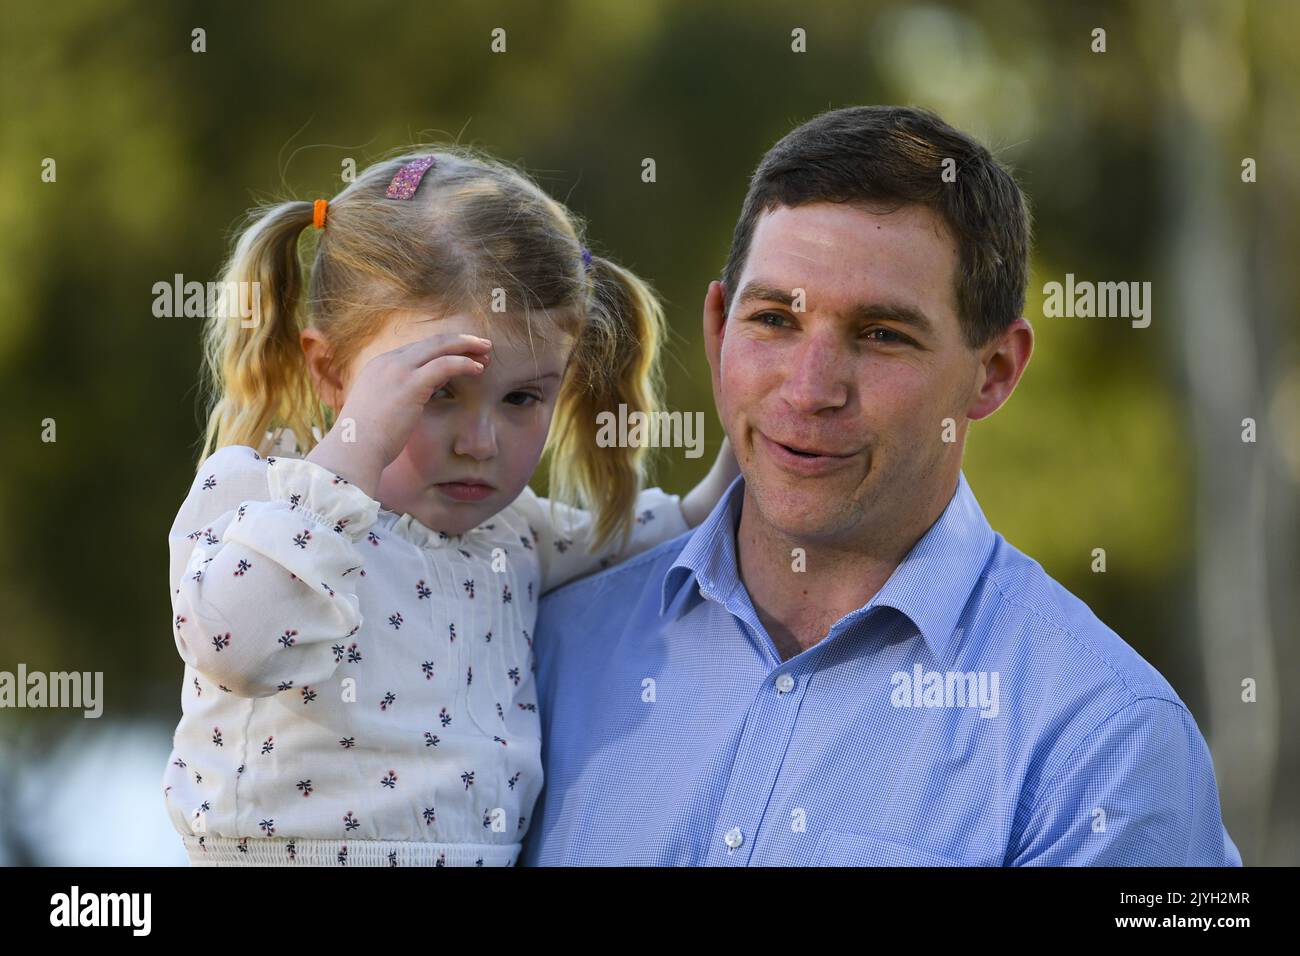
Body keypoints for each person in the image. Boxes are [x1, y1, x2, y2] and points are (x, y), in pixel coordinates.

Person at [521, 106, 1242, 866]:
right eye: (773, 319)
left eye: (881, 335)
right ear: (718, 326)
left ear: (993, 372)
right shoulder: (547, 647)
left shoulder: (1104, 742)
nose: (810, 390)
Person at [162, 147, 738, 866]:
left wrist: (753, 425)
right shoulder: (263, 496)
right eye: (437, 393)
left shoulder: (516, 534)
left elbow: (679, 527)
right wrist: (355, 449)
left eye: (523, 398)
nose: (480, 441)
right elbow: (235, 646)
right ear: (331, 371)